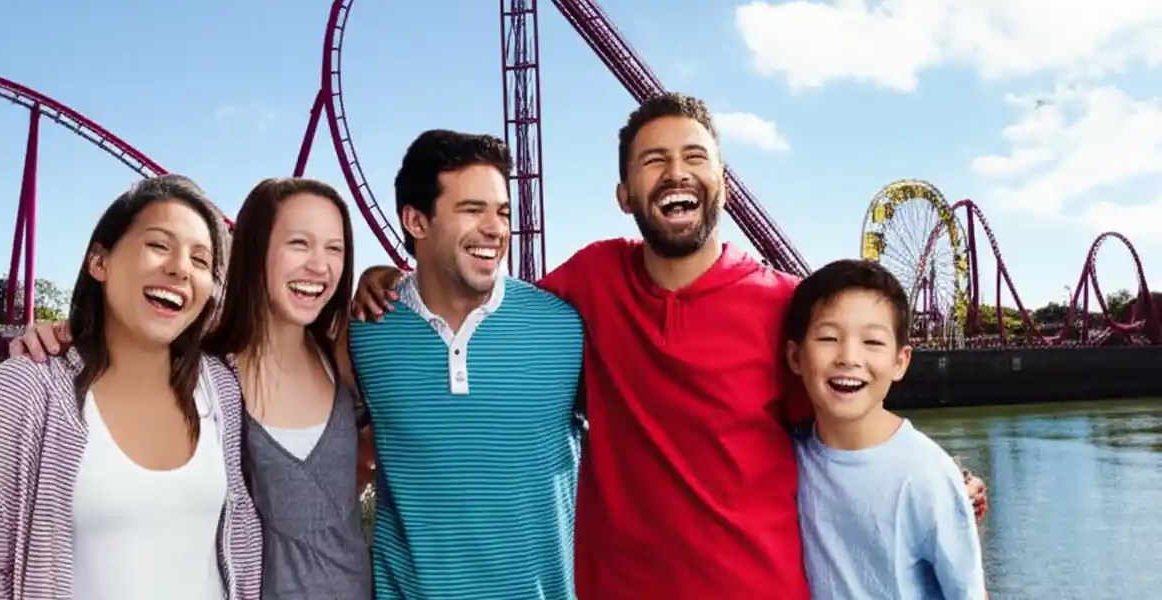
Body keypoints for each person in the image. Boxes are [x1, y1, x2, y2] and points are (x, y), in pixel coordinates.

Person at [353, 92, 988, 599]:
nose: (676, 171)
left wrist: (937, 478)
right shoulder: (590, 281)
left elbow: (847, 421)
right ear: (625, 194)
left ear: (723, 183)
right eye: (653, 160)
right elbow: (477, 306)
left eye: (694, 156)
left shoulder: (788, 308)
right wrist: (388, 278)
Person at [8, 178, 373, 599]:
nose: (319, 265)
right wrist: (71, 336)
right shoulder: (214, 375)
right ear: (254, 252)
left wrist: (379, 277)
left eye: (335, 248)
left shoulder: (346, 351)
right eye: (298, 243)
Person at [0, 174, 262, 599]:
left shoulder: (223, 389)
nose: (180, 267)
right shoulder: (21, 392)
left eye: (201, 261)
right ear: (99, 261)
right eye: (159, 245)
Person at [350, 129, 584, 599]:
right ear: (416, 221)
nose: (496, 229)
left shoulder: (565, 328)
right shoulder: (363, 331)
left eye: (502, 212)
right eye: (473, 210)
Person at [784, 259, 988, 599]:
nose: (848, 357)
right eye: (828, 337)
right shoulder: (787, 455)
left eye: (873, 342)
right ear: (795, 357)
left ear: (900, 362)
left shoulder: (927, 475)